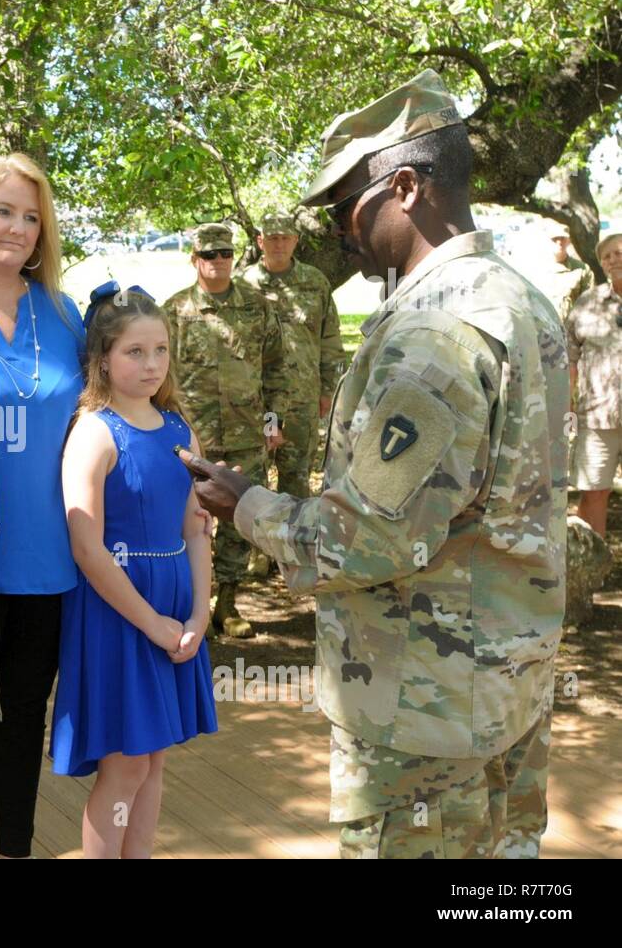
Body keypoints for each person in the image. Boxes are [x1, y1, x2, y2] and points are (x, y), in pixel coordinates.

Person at [185, 70, 568, 858]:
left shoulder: (435, 334)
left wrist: (248, 504)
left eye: (345, 207)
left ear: (405, 186)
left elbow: (369, 538)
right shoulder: (520, 299)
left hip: (424, 718)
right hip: (506, 687)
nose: (335, 229)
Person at [0, 153, 85, 859]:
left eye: (32, 216)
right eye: (3, 210)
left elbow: (109, 419)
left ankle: (16, 850)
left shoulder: (63, 313)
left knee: (23, 718)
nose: (19, 227)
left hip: (46, 561)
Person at [51, 282, 217, 859]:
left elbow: (196, 526)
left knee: (154, 760)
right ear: (102, 358)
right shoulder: (94, 432)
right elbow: (88, 547)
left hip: (175, 605)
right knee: (125, 765)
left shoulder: (177, 429)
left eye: (161, 351)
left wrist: (199, 612)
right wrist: (153, 624)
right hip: (121, 613)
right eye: (134, 352)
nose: (151, 365)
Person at [165, 223, 289, 637]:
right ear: (194, 258)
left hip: (245, 433)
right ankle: (187, 601)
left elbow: (275, 368)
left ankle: (227, 604)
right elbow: (160, 378)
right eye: (209, 254)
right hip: (189, 438)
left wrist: (273, 422)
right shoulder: (175, 311)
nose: (218, 261)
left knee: (237, 516)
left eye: (225, 254)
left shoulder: (257, 306)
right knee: (186, 518)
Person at [239, 213, 344, 498]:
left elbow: (330, 338)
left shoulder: (315, 282)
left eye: (285, 238)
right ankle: (254, 540)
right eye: (272, 238)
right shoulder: (242, 285)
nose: (279, 245)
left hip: (302, 399)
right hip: (255, 400)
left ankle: (290, 540)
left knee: (296, 481)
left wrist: (327, 390)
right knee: (251, 481)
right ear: (260, 241)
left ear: (296, 241)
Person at [565, 231, 622, 536]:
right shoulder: (588, 303)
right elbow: (569, 358)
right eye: (607, 256)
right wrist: (567, 406)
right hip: (598, 416)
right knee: (595, 492)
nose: (614, 259)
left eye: (619, 252)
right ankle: (591, 566)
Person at [544, 226, 594, 321]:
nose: (559, 243)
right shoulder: (536, 268)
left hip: (571, 327)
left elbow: (589, 303)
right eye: (554, 239)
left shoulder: (582, 269)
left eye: (562, 238)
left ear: (569, 241)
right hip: (546, 328)